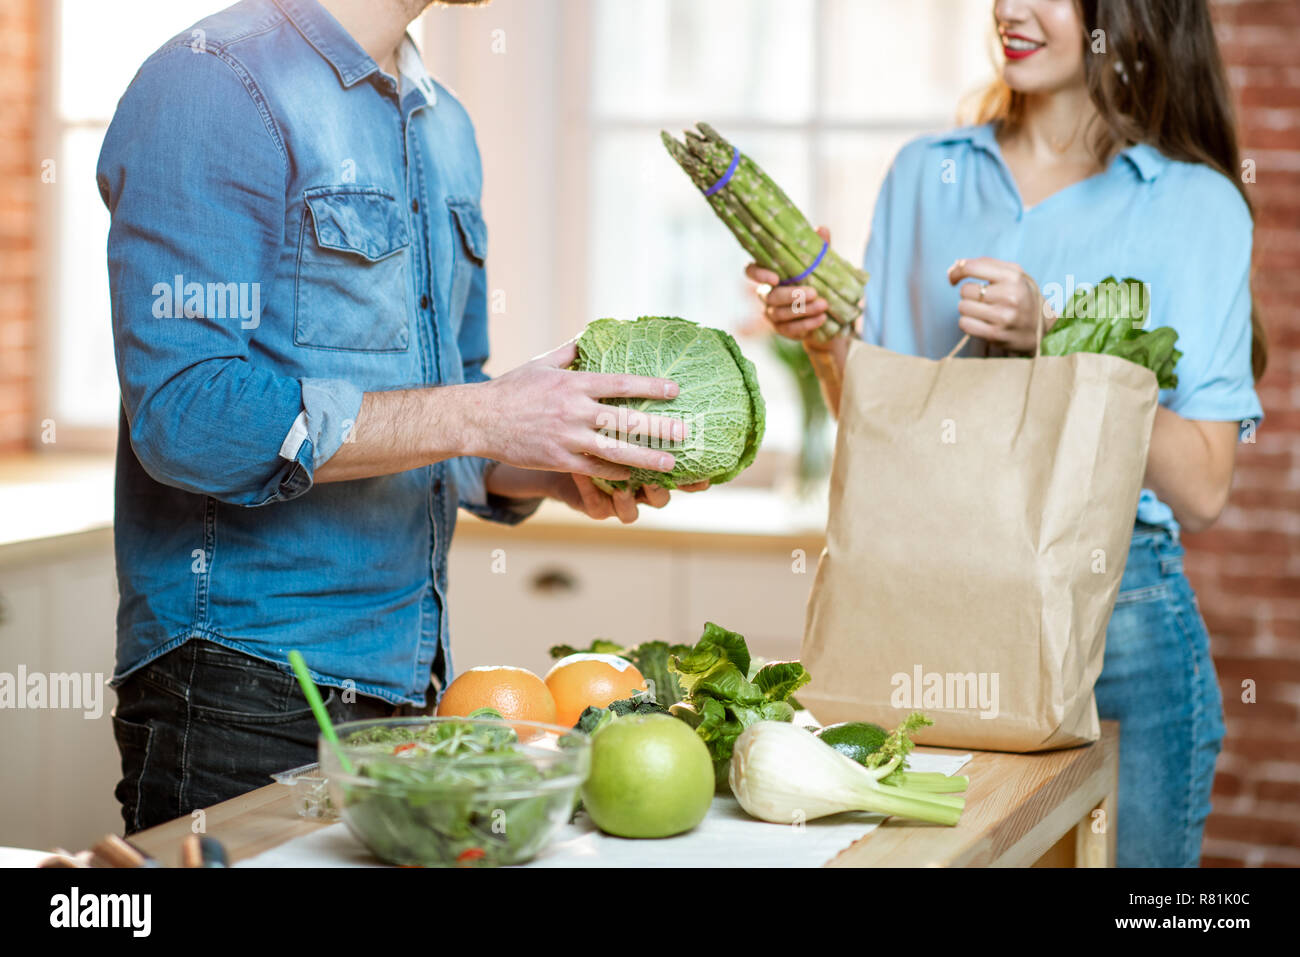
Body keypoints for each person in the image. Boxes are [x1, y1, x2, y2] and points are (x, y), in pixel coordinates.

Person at [98, 0, 699, 834]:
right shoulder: (216, 83)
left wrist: (539, 458)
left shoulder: (444, 124)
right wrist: (485, 415)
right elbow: (186, 414)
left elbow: (440, 410)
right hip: (242, 691)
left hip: (415, 687)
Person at [748, 0, 1264, 867]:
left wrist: (1057, 338)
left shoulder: (1195, 205)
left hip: (1123, 631)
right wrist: (824, 336)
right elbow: (889, 435)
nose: (1008, 10)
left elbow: (1207, 485)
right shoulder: (925, 174)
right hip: (932, 606)